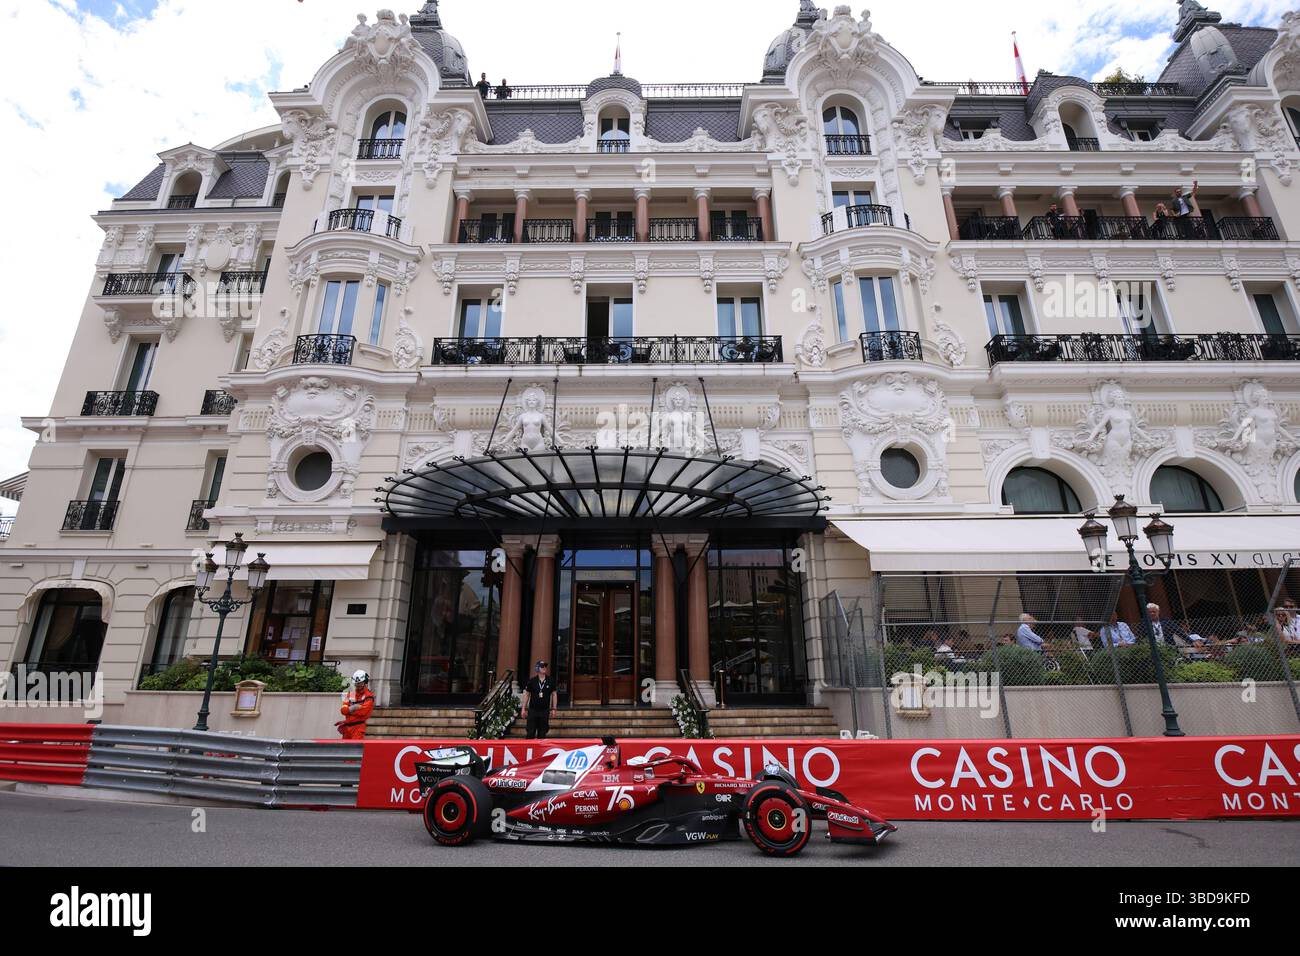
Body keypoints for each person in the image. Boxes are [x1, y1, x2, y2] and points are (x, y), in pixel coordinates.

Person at [336, 670, 376, 740]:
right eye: (356, 684)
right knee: (344, 749)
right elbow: (343, 710)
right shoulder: (351, 694)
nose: (358, 686)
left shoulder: (369, 696)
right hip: (347, 728)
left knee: (355, 749)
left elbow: (364, 712)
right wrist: (355, 707)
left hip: (358, 728)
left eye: (360, 683)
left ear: (365, 682)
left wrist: (349, 709)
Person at [522, 660, 555, 739]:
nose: (544, 668)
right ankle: (529, 749)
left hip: (544, 710)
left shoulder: (550, 680)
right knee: (530, 732)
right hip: (533, 710)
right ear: (537, 668)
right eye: (542, 666)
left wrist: (554, 709)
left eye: (545, 666)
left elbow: (554, 694)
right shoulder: (532, 681)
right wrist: (523, 708)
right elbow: (527, 694)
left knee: (542, 733)